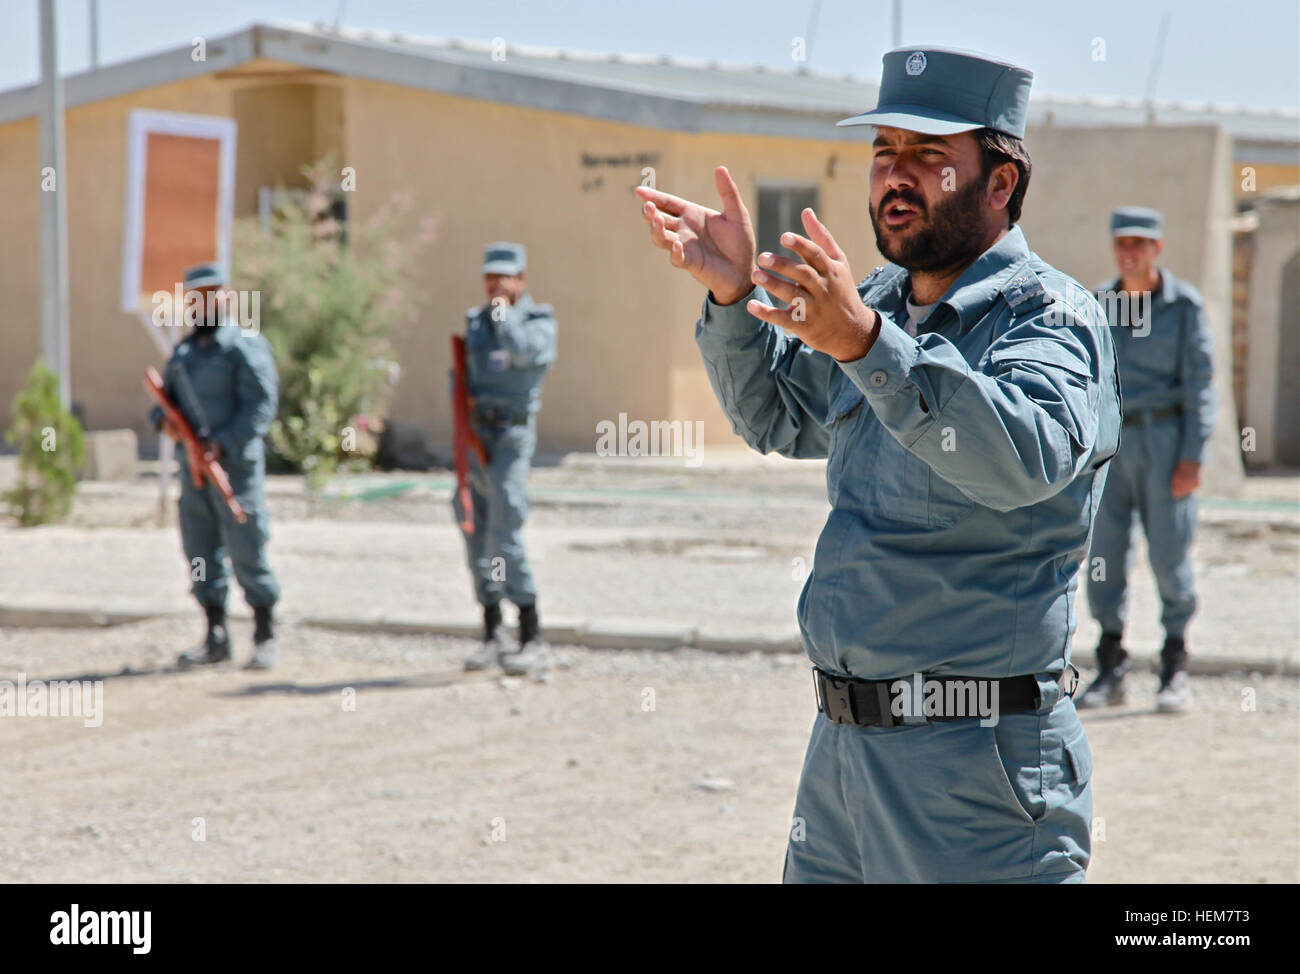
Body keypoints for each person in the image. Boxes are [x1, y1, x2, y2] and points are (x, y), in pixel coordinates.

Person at [635, 47, 1120, 883]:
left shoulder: (1050, 317)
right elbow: (780, 419)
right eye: (883, 152)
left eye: (930, 157)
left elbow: (1023, 459)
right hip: (841, 760)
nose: (897, 176)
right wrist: (728, 299)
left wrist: (867, 344)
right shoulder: (884, 301)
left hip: (976, 776)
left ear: (1000, 184)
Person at [1080, 207, 1215, 713]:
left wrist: (1192, 456)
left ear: (1157, 248)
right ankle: (1111, 667)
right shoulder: (1098, 302)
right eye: (1121, 242)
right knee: (1104, 558)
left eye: (1139, 242)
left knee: (1169, 559)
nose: (1129, 251)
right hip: (1111, 450)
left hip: (1165, 444)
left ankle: (1173, 668)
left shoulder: (1184, 306)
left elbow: (1201, 385)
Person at [151, 262, 282, 670]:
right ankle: (215, 636)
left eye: (212, 293)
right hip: (194, 474)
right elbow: (161, 407)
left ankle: (264, 634)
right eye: (196, 296)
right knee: (200, 552)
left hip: (234, 471)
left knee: (247, 549)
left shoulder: (244, 344)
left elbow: (261, 406)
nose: (204, 302)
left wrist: (221, 443)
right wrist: (168, 425)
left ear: (225, 297)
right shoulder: (184, 353)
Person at [454, 243, 557, 677]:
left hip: (512, 435)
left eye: (504, 276)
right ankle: (493, 629)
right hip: (477, 435)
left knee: (505, 527)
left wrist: (503, 315)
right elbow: (463, 380)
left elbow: (520, 352)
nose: (495, 285)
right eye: (489, 277)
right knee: (472, 524)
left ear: (521, 280)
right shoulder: (476, 323)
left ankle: (532, 633)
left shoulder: (538, 323)